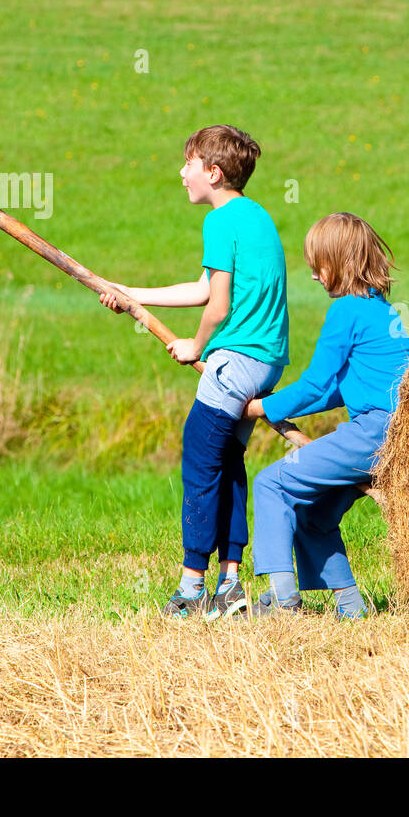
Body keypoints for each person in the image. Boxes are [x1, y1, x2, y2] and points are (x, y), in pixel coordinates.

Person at [100, 124, 288, 619]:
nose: (181, 173)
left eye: (188, 164)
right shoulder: (253, 217)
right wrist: (131, 295)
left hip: (235, 360)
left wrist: (195, 345)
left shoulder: (220, 222)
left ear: (214, 172)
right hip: (265, 360)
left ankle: (190, 588)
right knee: (226, 461)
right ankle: (230, 583)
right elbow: (202, 288)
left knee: (200, 461)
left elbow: (219, 307)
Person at [241, 213, 409, 618]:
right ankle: (351, 608)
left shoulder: (346, 311)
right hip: (394, 432)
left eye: (319, 266)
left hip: (372, 433)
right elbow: (339, 388)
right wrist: (278, 405)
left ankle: (283, 603)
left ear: (340, 264)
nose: (315, 276)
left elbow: (317, 384)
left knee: (271, 485)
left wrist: (262, 407)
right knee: (315, 515)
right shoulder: (381, 310)